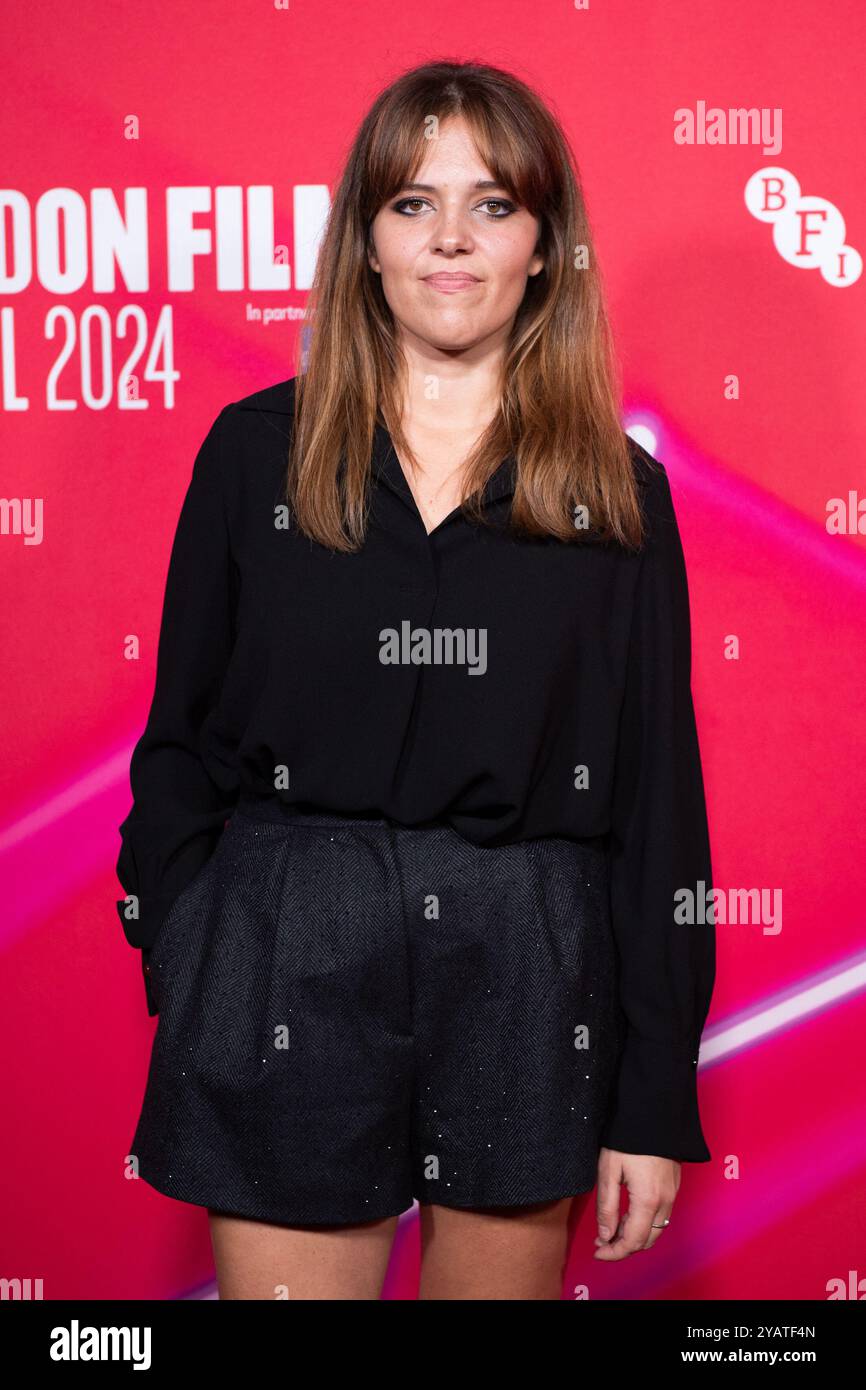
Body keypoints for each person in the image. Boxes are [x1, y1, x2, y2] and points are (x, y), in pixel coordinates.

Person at [115, 60, 716, 1301]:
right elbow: (179, 744)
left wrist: (652, 1096)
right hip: (289, 938)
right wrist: (200, 951)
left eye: (493, 205)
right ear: (365, 241)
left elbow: (659, 808)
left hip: (523, 964)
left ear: (546, 247)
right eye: (411, 203)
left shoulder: (616, 494)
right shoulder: (252, 455)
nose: (451, 239)